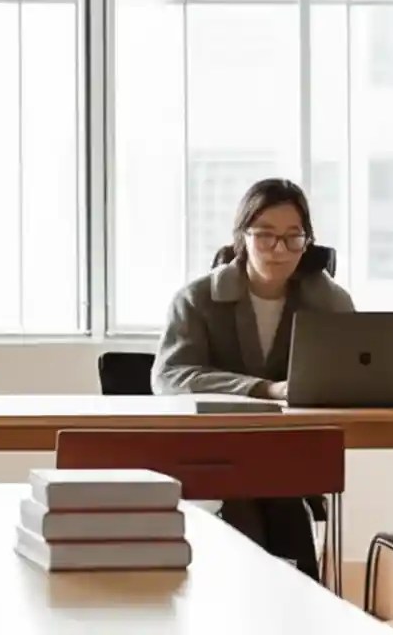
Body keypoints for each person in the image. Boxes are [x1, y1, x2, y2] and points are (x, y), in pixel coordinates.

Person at [150, 177, 354, 580]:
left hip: (289, 451)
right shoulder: (198, 299)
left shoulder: (326, 300)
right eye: (265, 236)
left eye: (293, 238)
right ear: (242, 236)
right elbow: (170, 376)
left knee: (286, 509)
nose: (280, 250)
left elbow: (354, 370)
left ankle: (303, 613)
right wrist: (264, 389)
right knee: (248, 512)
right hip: (213, 452)